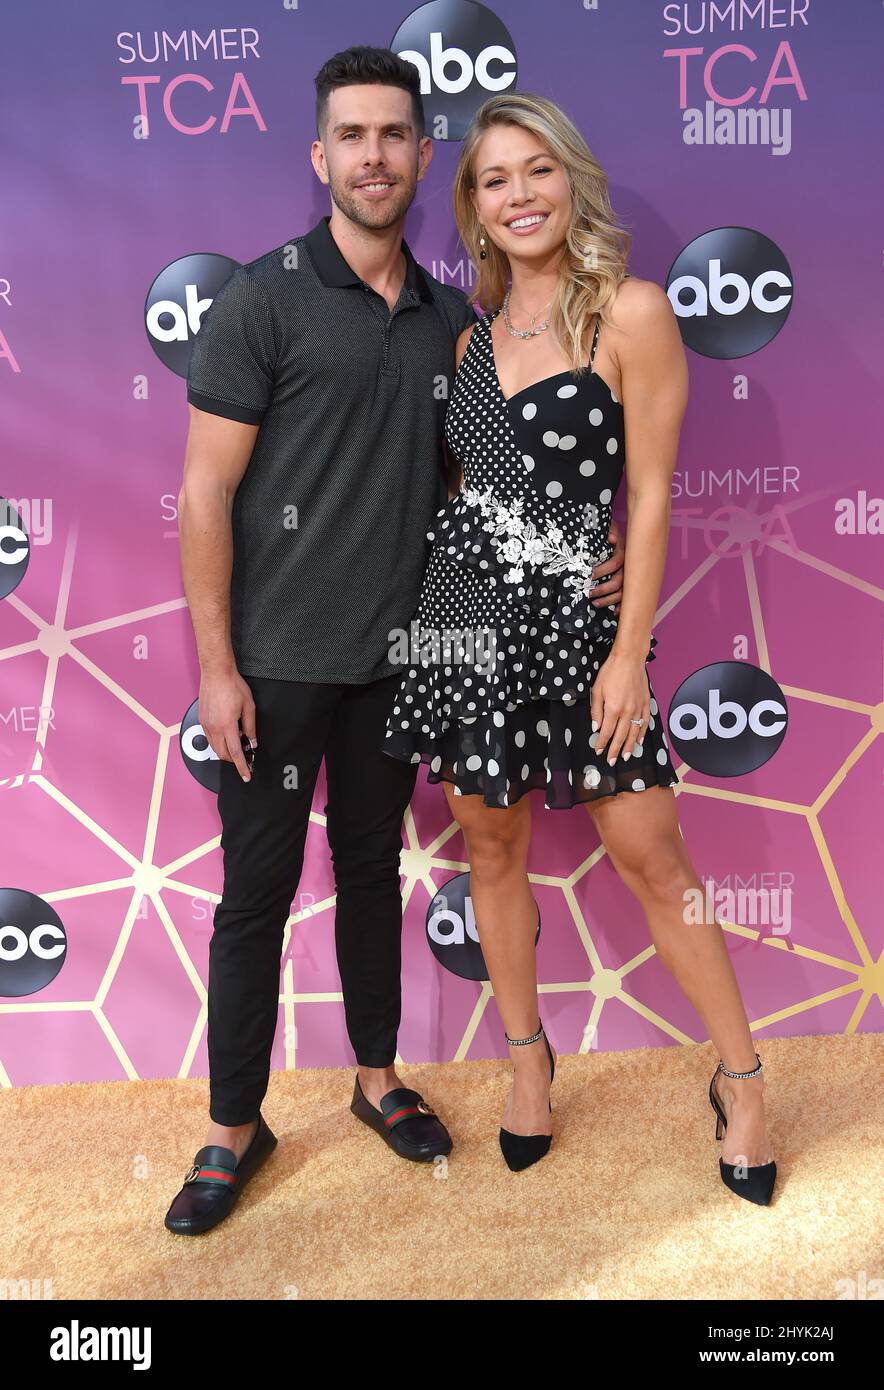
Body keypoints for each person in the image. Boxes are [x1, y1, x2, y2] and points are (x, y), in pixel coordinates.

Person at [164, 47, 630, 1235]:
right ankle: (232, 1126)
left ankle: (376, 1080)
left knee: (373, 873)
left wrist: (588, 553)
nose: (374, 155)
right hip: (271, 663)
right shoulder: (261, 298)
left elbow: (498, 479)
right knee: (254, 893)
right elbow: (206, 495)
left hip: (410, 658)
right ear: (320, 156)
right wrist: (216, 665)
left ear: (424, 159)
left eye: (395, 135)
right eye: (351, 136)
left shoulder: (450, 322)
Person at [382, 92, 777, 1206]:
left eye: (535, 172)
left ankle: (740, 1080)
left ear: (570, 182)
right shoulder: (466, 337)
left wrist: (623, 648)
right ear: (469, 204)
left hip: (579, 629)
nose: (518, 195)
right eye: (493, 179)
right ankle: (525, 1060)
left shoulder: (632, 313)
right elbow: (465, 486)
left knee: (654, 855)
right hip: (465, 620)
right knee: (489, 849)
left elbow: (647, 496)